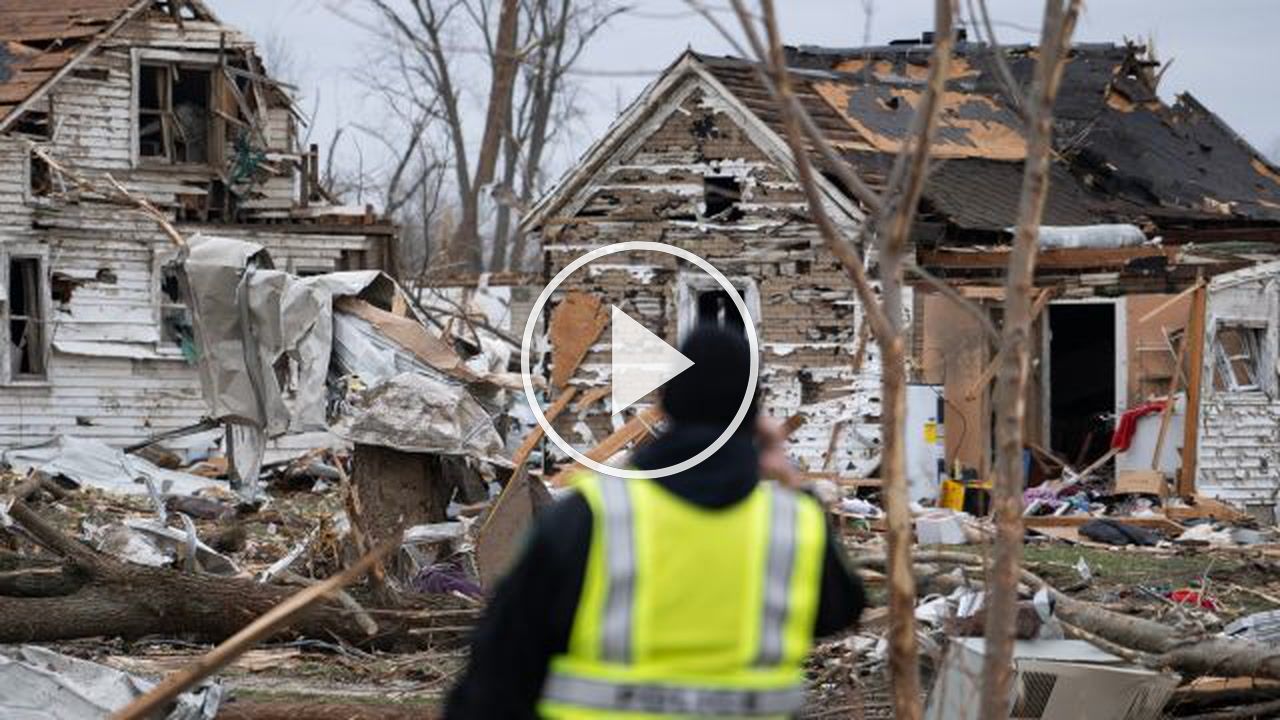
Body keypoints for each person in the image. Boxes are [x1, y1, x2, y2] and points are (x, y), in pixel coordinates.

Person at [446, 324, 864, 718]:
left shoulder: (591, 518)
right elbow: (841, 611)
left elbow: (498, 673)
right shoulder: (793, 529)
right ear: (754, 416)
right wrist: (789, 480)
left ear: (667, 402)